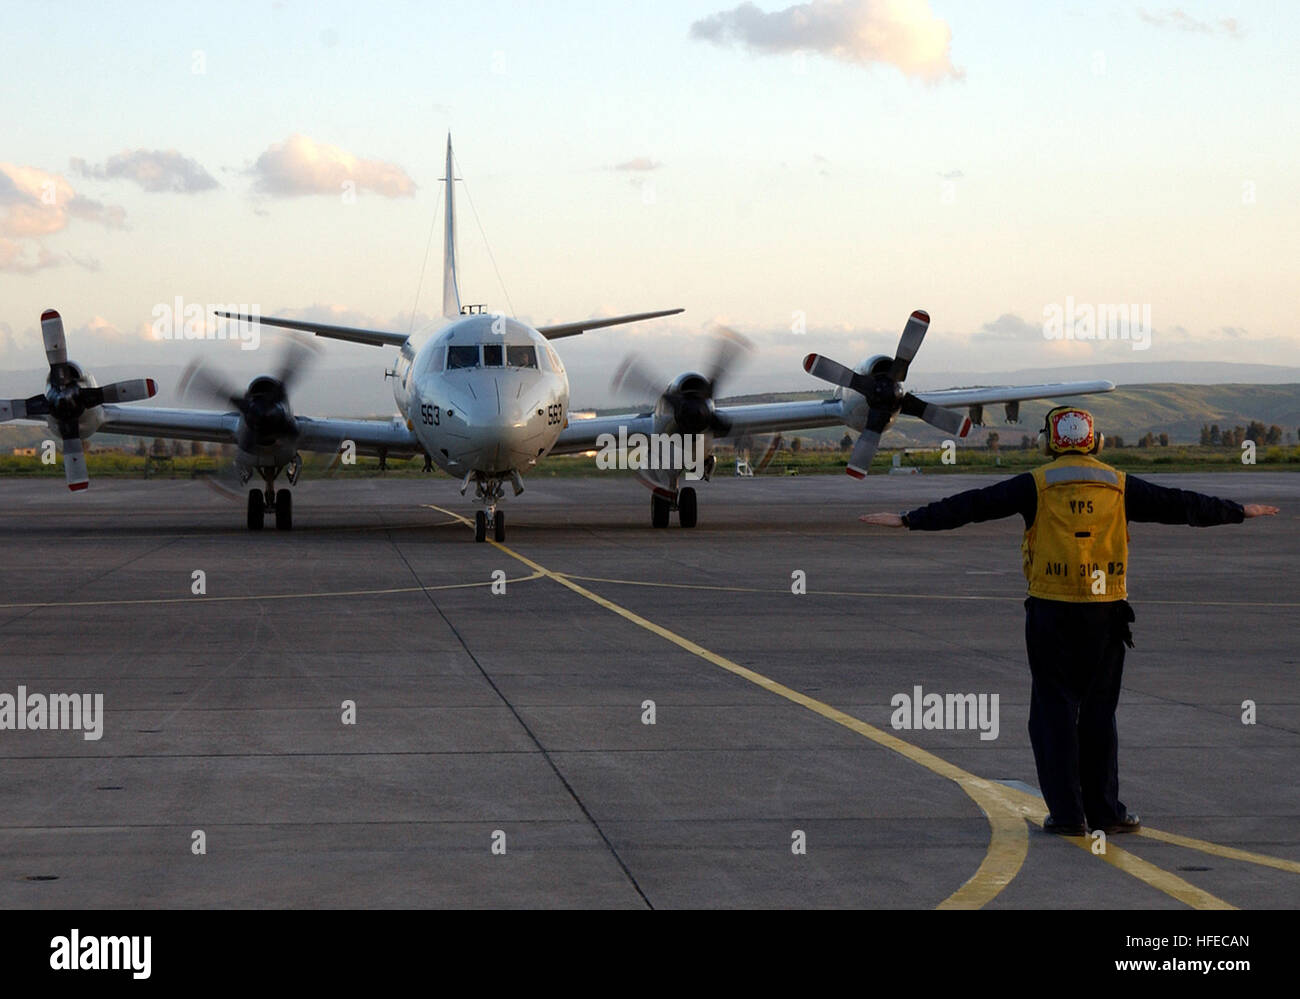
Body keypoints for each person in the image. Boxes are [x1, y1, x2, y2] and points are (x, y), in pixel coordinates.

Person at [861, 407, 1278, 836]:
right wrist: (1238, 511)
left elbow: (974, 505)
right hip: (1107, 612)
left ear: (1048, 443)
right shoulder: (1120, 485)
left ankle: (1066, 815)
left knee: (1053, 711)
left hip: (1051, 612)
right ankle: (1106, 812)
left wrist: (911, 519)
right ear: (1095, 442)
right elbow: (1182, 505)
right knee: (1100, 713)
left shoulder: (1036, 485)